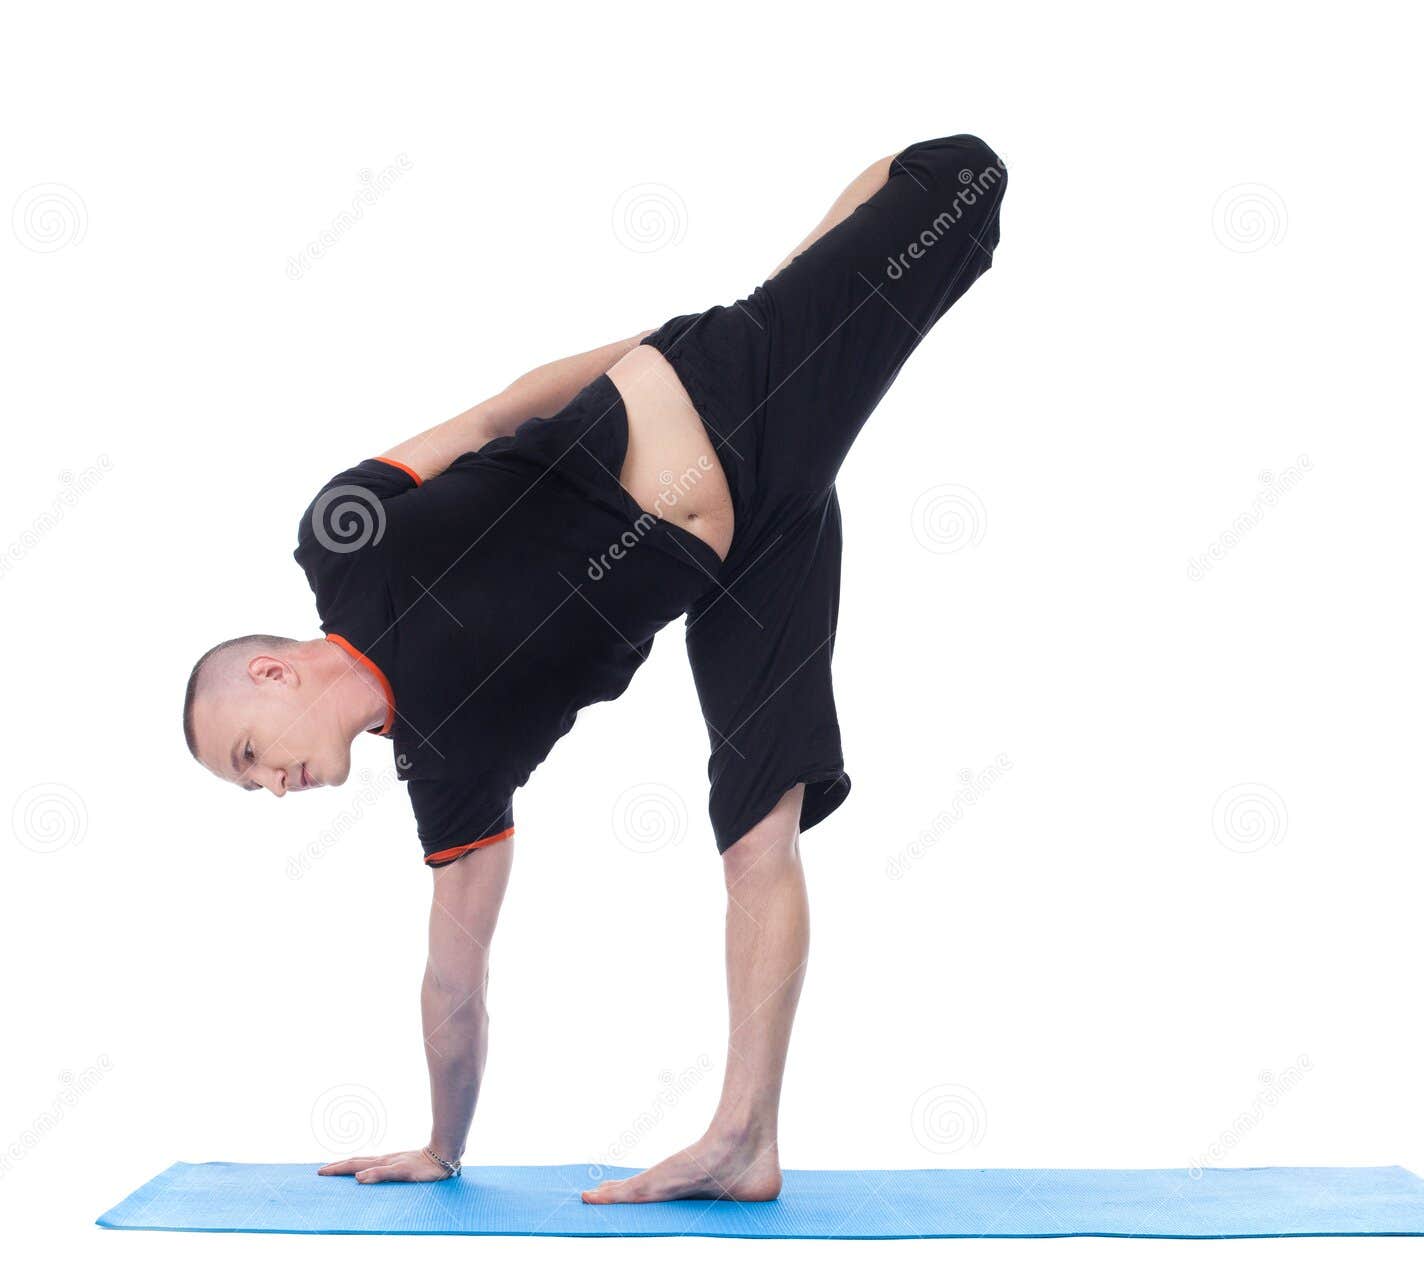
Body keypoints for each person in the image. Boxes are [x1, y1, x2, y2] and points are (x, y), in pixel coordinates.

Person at [182, 135, 1008, 1202]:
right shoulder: (448, 773)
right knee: (759, 833)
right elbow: (454, 985)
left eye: (248, 754)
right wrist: (442, 1146)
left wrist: (666, 342)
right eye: (247, 782)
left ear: (273, 676)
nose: (268, 784)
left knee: (959, 177)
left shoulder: (340, 541)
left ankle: (774, 293)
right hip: (753, 549)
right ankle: (744, 1139)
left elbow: (494, 415)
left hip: (724, 389)